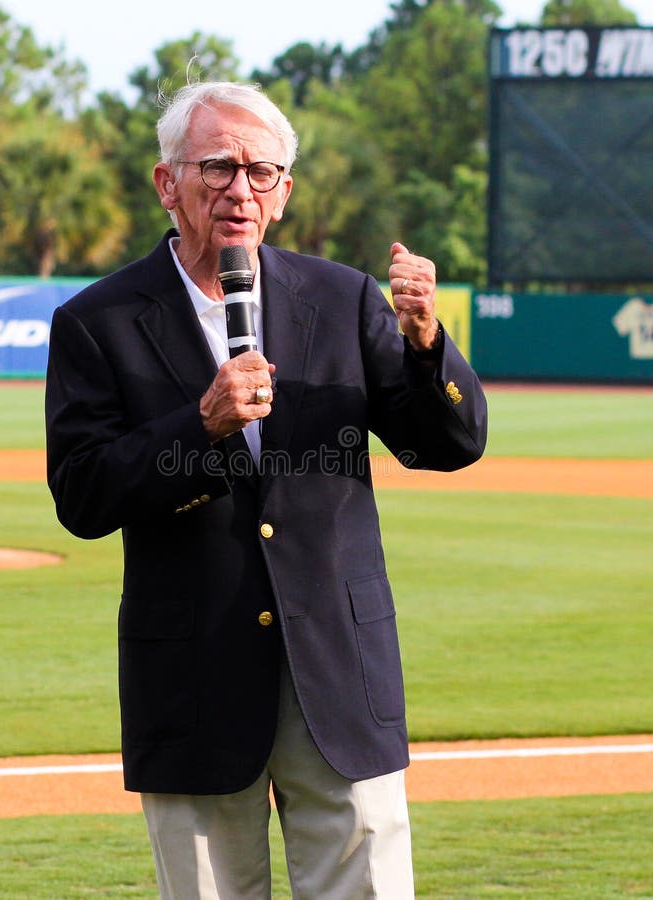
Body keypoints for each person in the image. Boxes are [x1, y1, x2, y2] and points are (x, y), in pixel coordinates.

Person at [45, 80, 487, 899]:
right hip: (193, 678)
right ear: (165, 184)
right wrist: (200, 425)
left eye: (260, 171)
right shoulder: (95, 322)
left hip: (340, 674)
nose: (239, 189)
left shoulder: (345, 298)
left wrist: (427, 346)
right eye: (215, 167)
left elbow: (448, 445)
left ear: (283, 194)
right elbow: (82, 494)